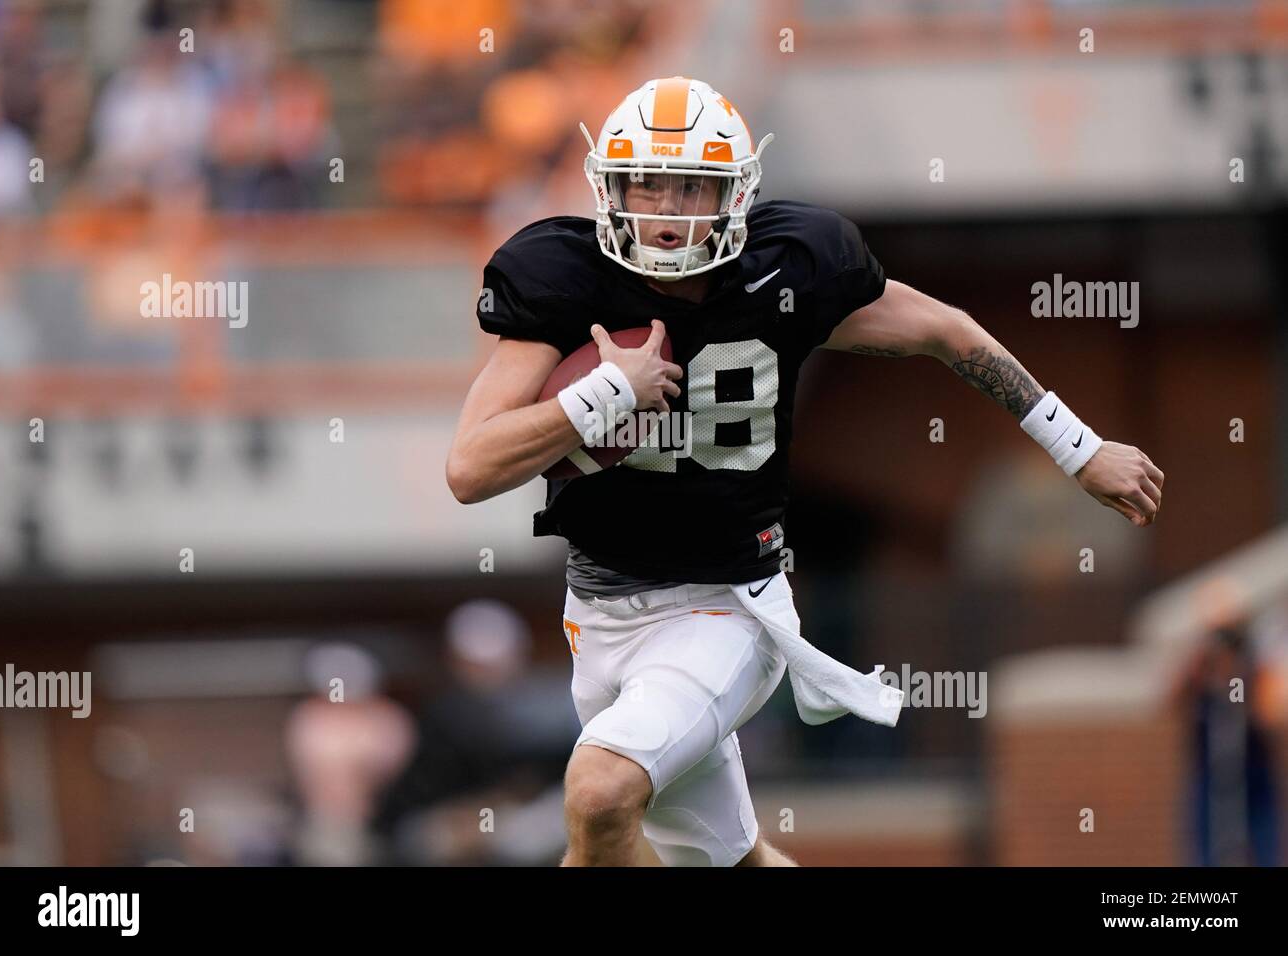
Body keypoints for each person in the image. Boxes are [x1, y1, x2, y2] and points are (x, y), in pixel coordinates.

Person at [446, 76, 1164, 867]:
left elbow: (947, 332)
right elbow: (470, 468)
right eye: (646, 182)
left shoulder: (789, 269)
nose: (666, 209)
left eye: (693, 187)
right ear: (609, 187)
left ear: (738, 195)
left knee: (598, 792)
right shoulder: (562, 280)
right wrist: (606, 393)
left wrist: (1078, 447)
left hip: (725, 610)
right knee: (730, 859)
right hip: (597, 617)